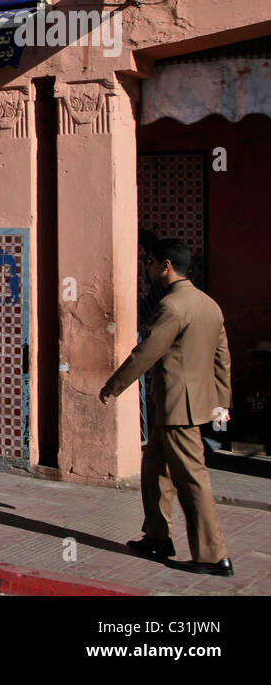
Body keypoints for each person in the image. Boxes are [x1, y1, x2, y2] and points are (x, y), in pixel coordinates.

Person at [99, 238, 234, 577]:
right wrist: (221, 404)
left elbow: (146, 353)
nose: (148, 267)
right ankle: (158, 537)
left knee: (192, 478)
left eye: (150, 262)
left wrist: (113, 386)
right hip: (190, 404)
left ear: (166, 266)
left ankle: (213, 556)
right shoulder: (209, 305)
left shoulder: (172, 307)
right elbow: (223, 361)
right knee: (155, 467)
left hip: (178, 406)